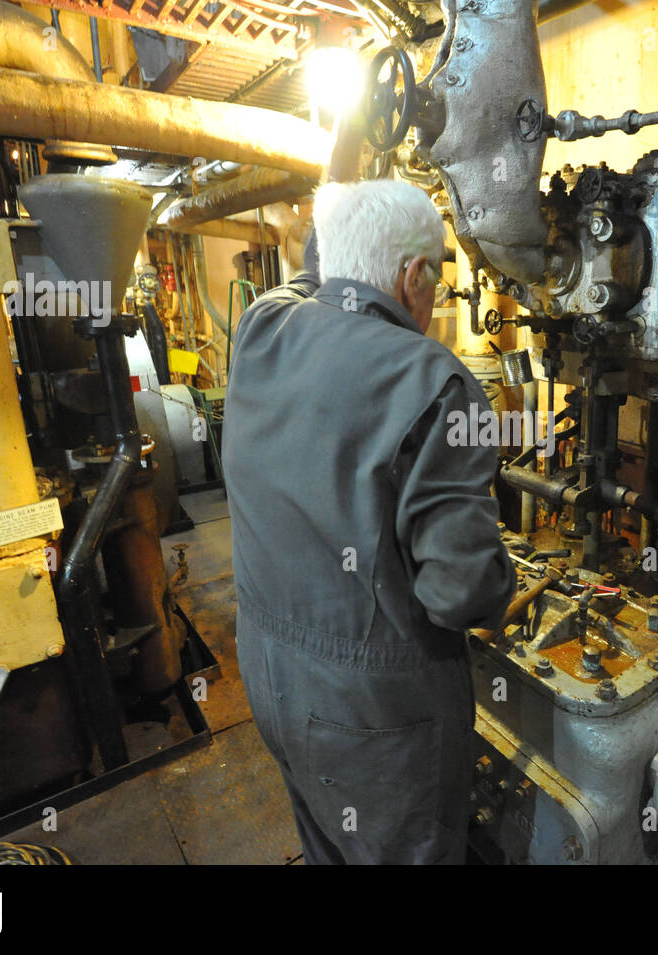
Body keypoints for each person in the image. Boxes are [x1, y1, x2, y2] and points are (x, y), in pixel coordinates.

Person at [222, 121, 515, 864]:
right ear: (415, 277)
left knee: (328, 845)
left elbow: (320, 263)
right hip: (374, 721)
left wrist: (349, 137)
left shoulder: (261, 325)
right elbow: (461, 594)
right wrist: (502, 573)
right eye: (440, 278)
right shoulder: (435, 382)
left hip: (268, 676)